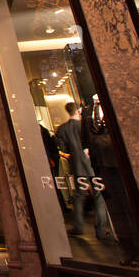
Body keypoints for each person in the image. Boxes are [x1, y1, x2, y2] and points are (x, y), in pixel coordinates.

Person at [54, 102, 113, 243]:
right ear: (78, 111)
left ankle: (78, 226)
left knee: (79, 196)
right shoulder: (86, 126)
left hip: (78, 166)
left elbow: (63, 149)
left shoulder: (63, 129)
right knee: (99, 196)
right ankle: (100, 229)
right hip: (93, 165)